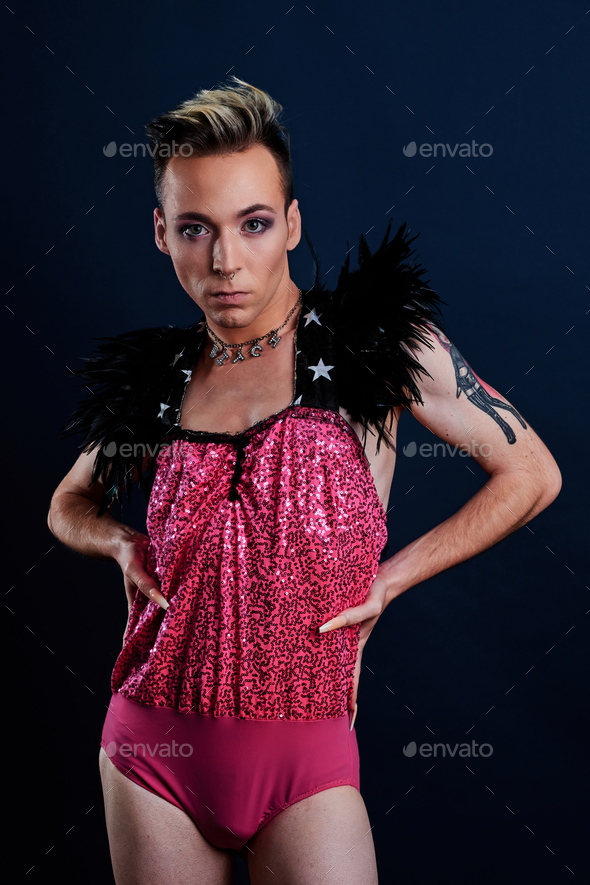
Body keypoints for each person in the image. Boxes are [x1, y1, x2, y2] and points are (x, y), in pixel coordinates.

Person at [47, 77, 562, 885]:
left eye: (252, 224)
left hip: (305, 753)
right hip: (151, 750)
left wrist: (389, 582)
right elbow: (67, 503)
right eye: (195, 229)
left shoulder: (375, 343)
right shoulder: (160, 375)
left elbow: (531, 472)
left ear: (290, 223)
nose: (225, 261)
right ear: (161, 233)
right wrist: (120, 541)